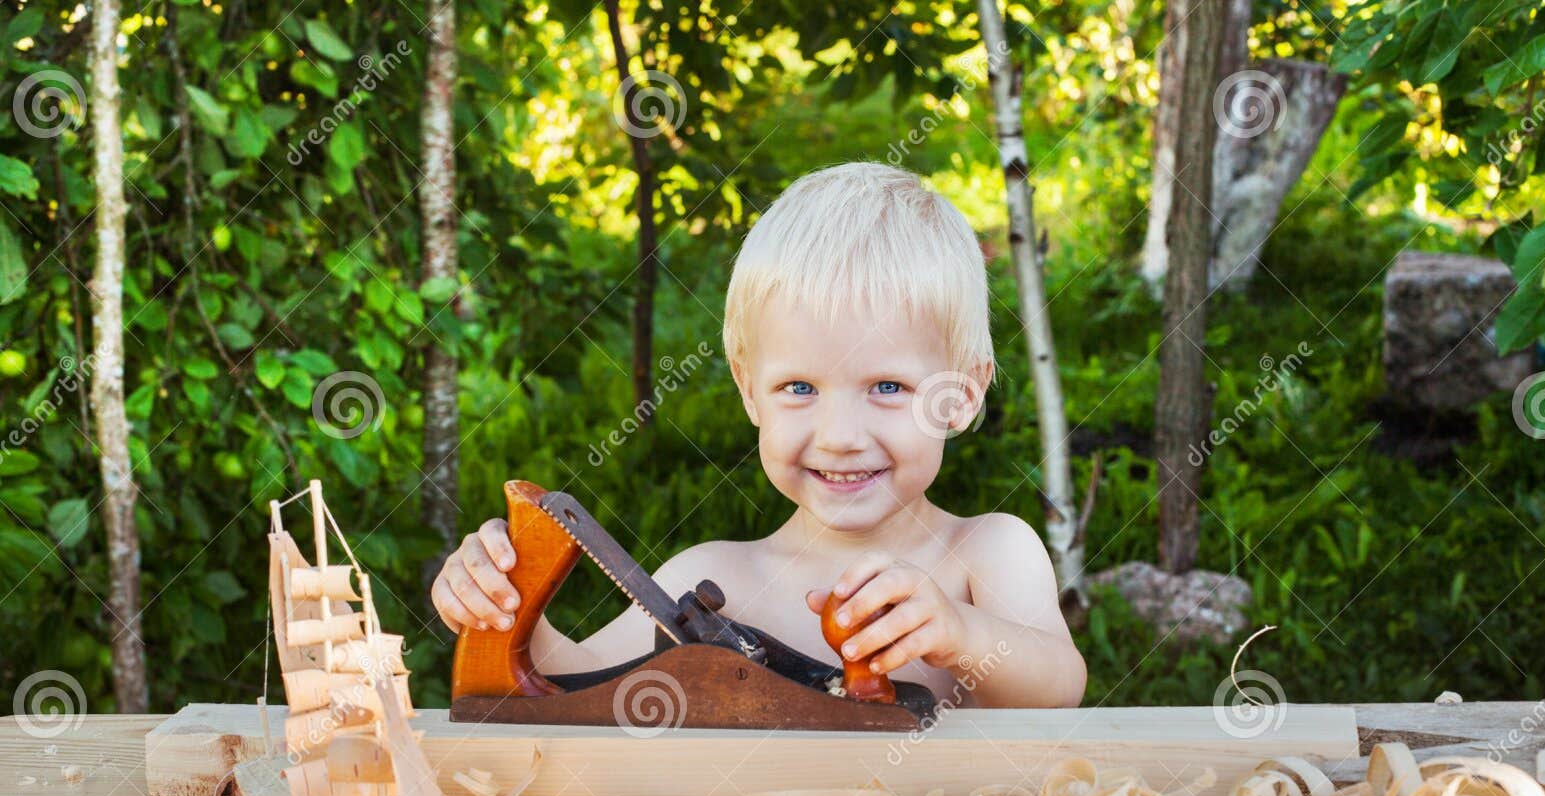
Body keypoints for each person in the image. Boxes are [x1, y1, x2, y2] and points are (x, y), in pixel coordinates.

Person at [432, 161, 1085, 708]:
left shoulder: (989, 555)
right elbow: (575, 685)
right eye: (799, 388)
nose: (839, 436)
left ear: (960, 396)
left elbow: (1061, 687)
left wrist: (961, 633)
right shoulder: (710, 575)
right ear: (750, 392)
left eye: (887, 387)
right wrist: (504, 608)